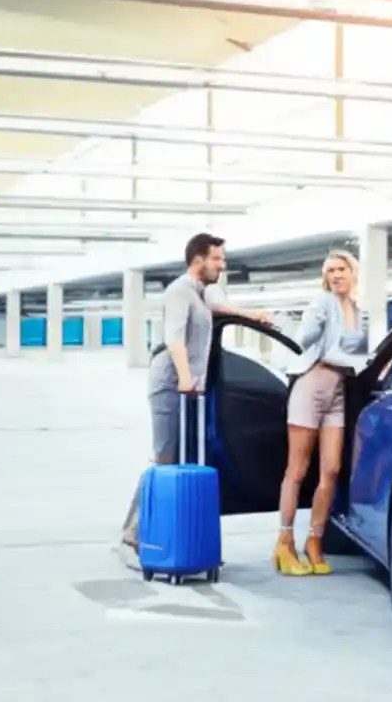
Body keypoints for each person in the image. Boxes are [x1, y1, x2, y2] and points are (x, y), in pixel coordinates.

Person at [116, 232, 272, 571]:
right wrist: (185, 376)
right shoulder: (178, 292)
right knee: (165, 458)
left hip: (188, 387)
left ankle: (172, 536)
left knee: (182, 460)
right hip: (169, 383)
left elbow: (217, 310)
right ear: (198, 259)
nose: (222, 265)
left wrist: (251, 315)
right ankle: (132, 537)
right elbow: (174, 338)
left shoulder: (200, 294)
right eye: (217, 259)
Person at [274, 249, 367, 576]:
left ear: (353, 273)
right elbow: (303, 338)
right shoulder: (321, 303)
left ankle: (315, 539)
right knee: (297, 470)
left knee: (331, 469)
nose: (336, 275)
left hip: (338, 390)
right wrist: (312, 323)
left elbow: (362, 352)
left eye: (342, 269)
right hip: (311, 385)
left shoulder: (357, 309)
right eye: (330, 271)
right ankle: (285, 542)